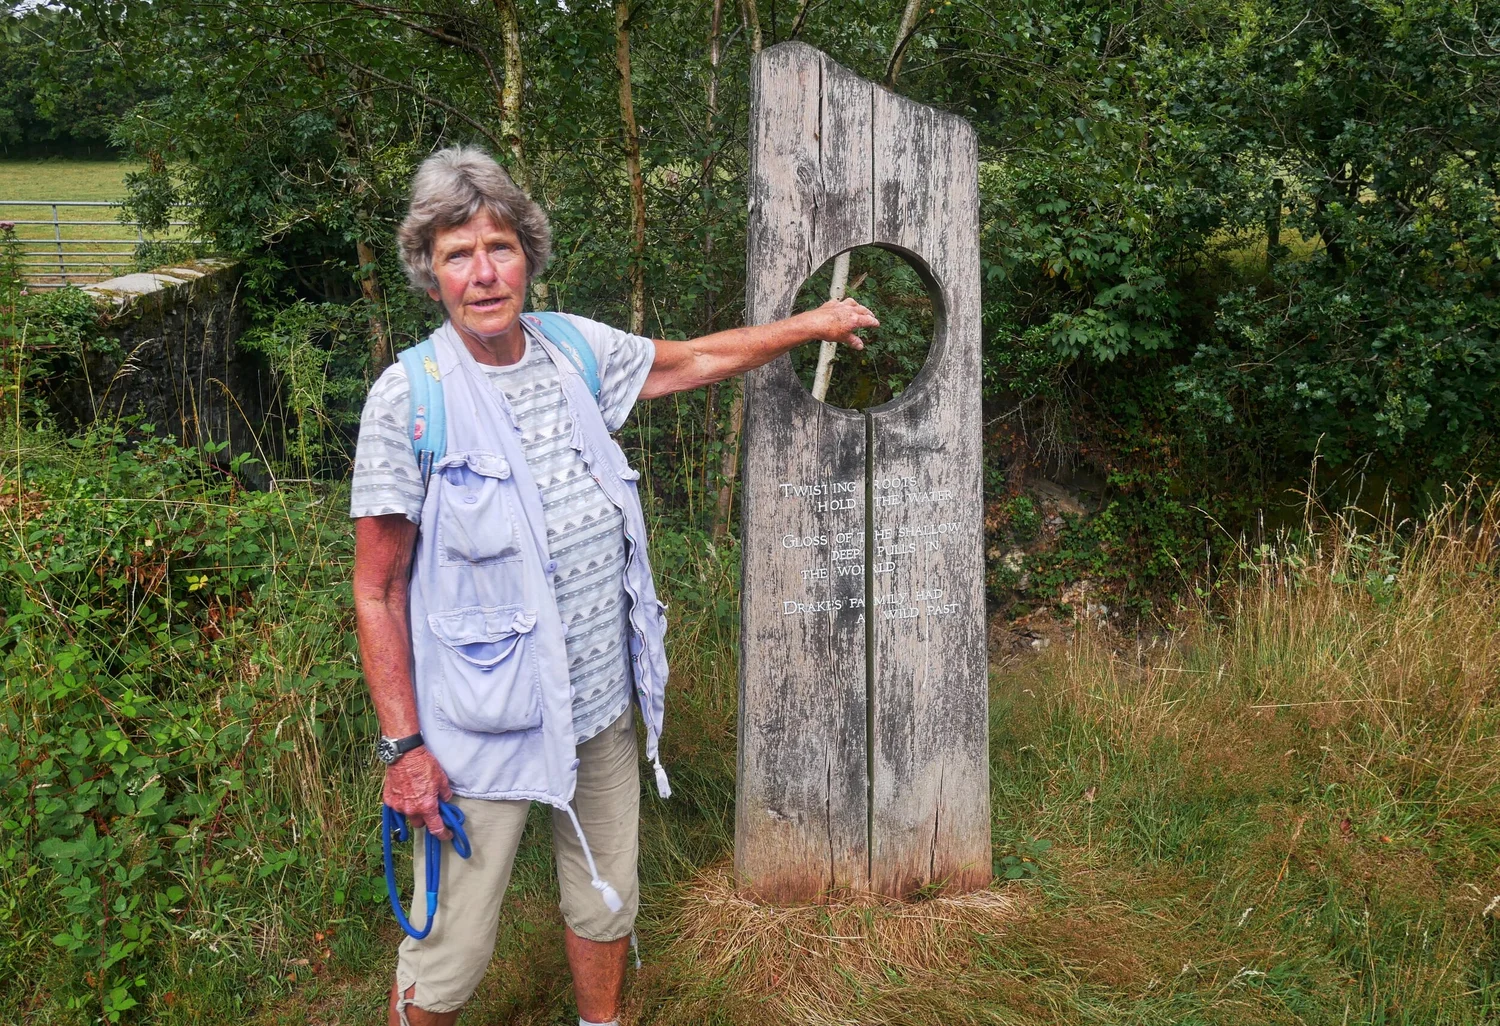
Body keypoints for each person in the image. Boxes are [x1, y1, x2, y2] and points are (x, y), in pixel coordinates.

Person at [351, 145, 876, 1026]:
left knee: (605, 897)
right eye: (457, 254)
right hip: (480, 727)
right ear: (429, 272)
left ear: (529, 255)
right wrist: (404, 752)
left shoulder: (571, 350)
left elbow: (694, 361)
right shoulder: (410, 398)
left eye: (500, 247)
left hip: (599, 703)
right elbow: (378, 588)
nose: (484, 274)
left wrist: (810, 325)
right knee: (453, 949)